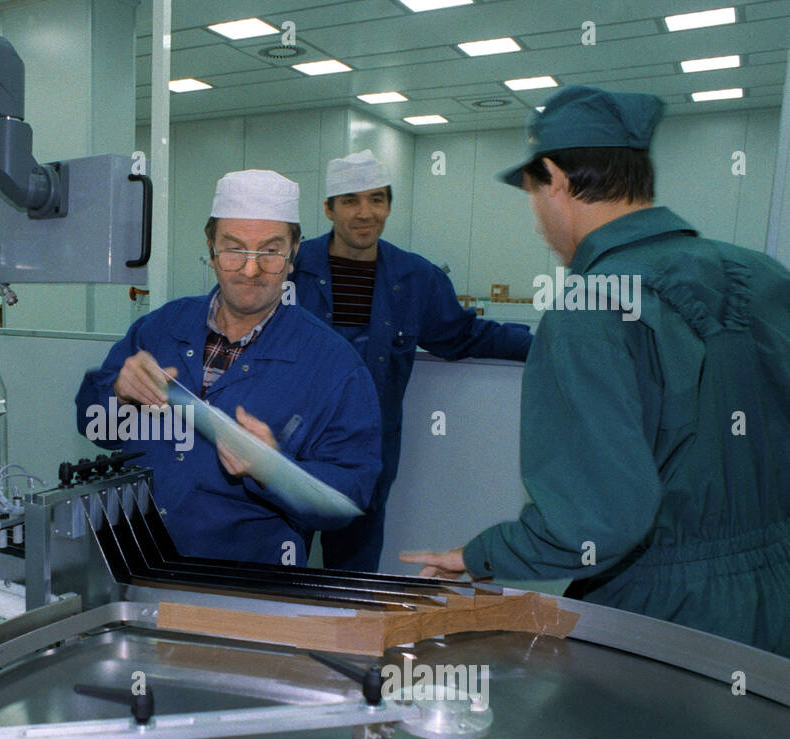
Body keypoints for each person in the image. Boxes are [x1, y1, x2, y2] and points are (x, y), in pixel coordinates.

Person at [402, 85, 790, 656]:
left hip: (668, 613)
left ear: (556, 179)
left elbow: (596, 523)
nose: (537, 221)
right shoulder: (764, 275)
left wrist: (480, 555)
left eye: (533, 194)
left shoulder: (590, 304)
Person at [75, 169, 382, 565]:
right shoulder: (159, 329)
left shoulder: (335, 367)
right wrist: (117, 391)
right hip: (134, 558)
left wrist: (275, 470)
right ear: (211, 248)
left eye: (270, 252)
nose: (250, 270)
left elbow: (350, 498)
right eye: (234, 249)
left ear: (293, 255)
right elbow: (91, 422)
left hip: (247, 581)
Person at [292, 150, 533, 572]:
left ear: (389, 206)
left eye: (377, 199)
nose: (365, 213)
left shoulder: (415, 279)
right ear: (328, 208)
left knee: (353, 574)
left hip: (365, 455)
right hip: (289, 446)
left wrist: (549, 342)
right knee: (274, 563)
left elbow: (464, 336)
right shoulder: (290, 268)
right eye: (350, 200)